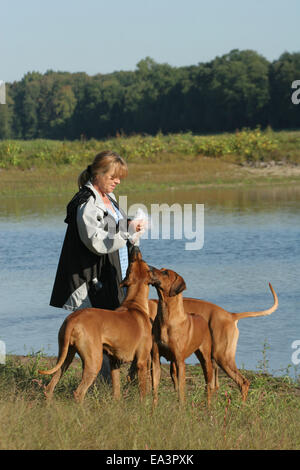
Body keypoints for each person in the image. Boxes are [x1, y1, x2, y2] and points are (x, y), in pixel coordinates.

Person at [50, 150, 145, 377]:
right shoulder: (87, 203)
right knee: (98, 340)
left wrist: (133, 229)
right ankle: (99, 392)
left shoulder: (109, 199)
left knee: (110, 334)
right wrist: (126, 230)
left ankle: (109, 390)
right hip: (92, 281)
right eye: (113, 177)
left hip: (113, 277)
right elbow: (96, 243)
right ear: (98, 174)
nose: (118, 181)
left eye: (119, 177)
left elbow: (117, 231)